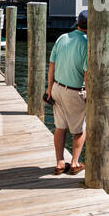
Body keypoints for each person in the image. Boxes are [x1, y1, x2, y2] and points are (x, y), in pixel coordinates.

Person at [45, 10, 88, 175]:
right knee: (79, 130)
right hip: (74, 92)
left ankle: (60, 163)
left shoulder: (62, 38)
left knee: (60, 127)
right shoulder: (87, 43)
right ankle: (75, 163)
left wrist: (49, 89)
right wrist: (90, 97)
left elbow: (51, 66)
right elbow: (87, 74)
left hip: (57, 88)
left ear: (77, 22)